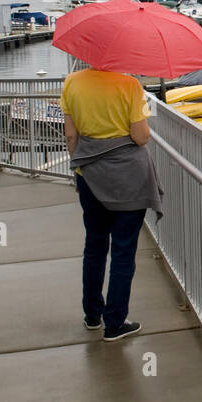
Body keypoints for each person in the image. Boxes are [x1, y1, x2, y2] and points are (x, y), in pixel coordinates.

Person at [60, 67, 164, 341]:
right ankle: (115, 323)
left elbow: (71, 137)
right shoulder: (129, 85)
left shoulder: (71, 82)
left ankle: (92, 315)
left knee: (94, 244)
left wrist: (89, 159)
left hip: (90, 176)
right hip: (128, 177)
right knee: (123, 249)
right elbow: (140, 136)